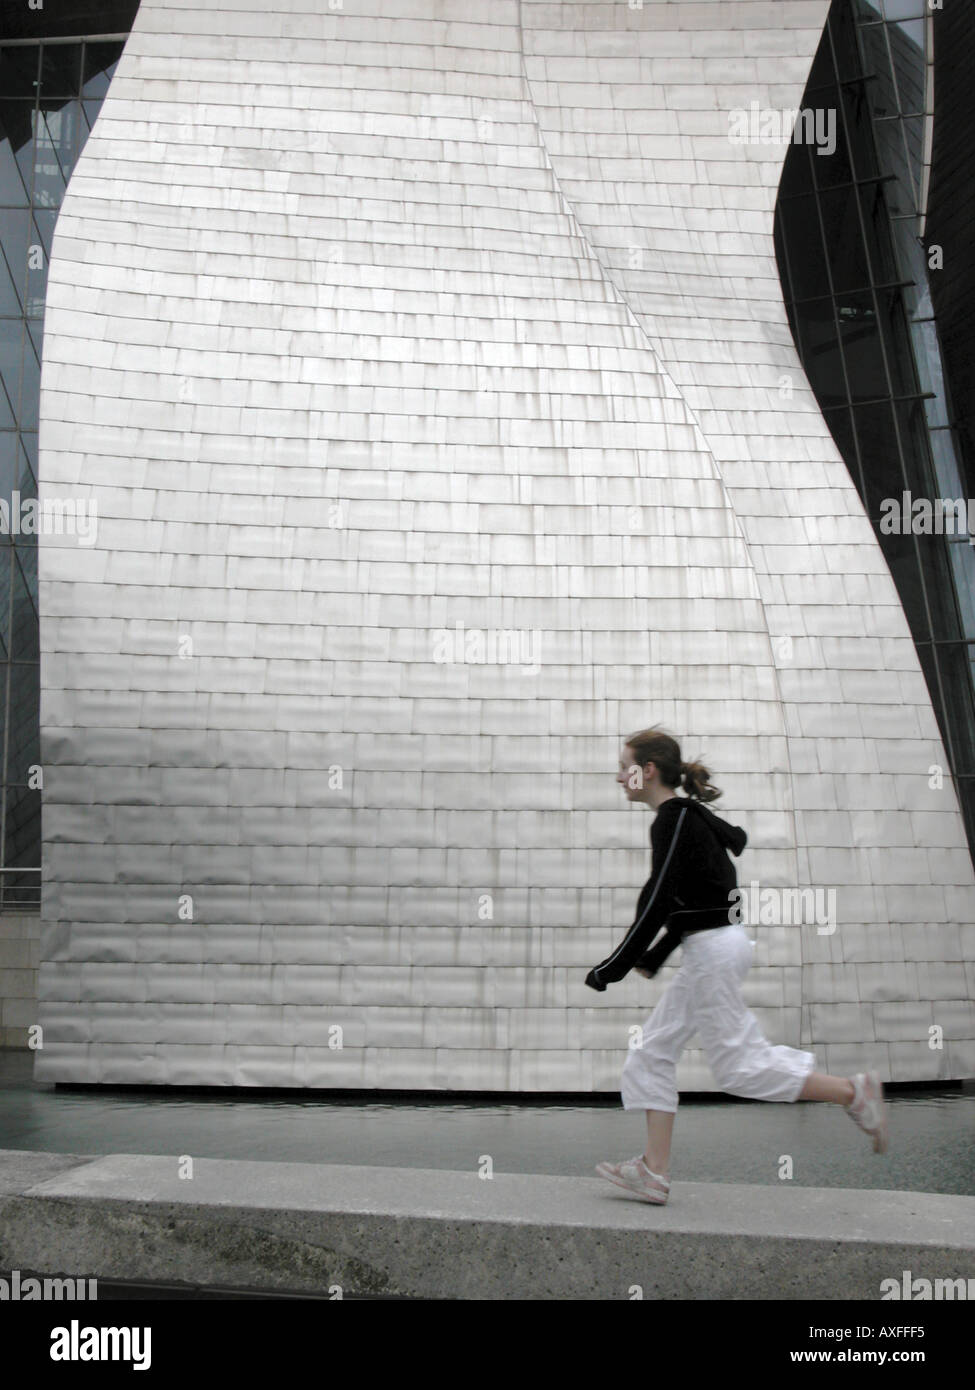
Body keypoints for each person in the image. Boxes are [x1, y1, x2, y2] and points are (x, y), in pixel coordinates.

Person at [585, 726, 888, 1205]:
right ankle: (653, 1172)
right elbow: (698, 896)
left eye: (625, 770)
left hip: (714, 952)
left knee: (738, 1067)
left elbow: (658, 898)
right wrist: (656, 956)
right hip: (715, 946)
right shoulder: (688, 818)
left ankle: (853, 1092)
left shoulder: (673, 820)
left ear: (648, 771)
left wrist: (613, 967)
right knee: (652, 1052)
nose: (620, 779)